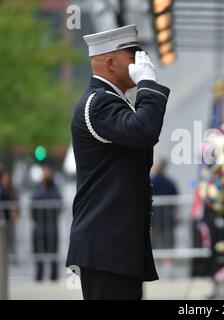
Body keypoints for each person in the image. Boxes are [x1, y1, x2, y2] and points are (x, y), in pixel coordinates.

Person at [66, 24, 170, 300]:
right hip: (106, 247)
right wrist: (148, 84)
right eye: (132, 54)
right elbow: (145, 131)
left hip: (114, 247)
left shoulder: (111, 100)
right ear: (111, 62)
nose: (140, 61)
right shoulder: (98, 103)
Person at [31, 163, 62, 281]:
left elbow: (58, 205)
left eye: (48, 171)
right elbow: (33, 205)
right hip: (39, 225)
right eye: (44, 171)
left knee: (53, 251)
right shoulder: (38, 187)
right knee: (39, 251)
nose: (46, 173)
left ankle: (54, 276)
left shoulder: (55, 188)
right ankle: (39, 276)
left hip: (51, 225)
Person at [150, 158, 178, 250]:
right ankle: (168, 261)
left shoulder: (151, 182)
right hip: (167, 216)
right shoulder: (170, 183)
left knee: (154, 239)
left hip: (154, 217)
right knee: (168, 241)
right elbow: (176, 202)